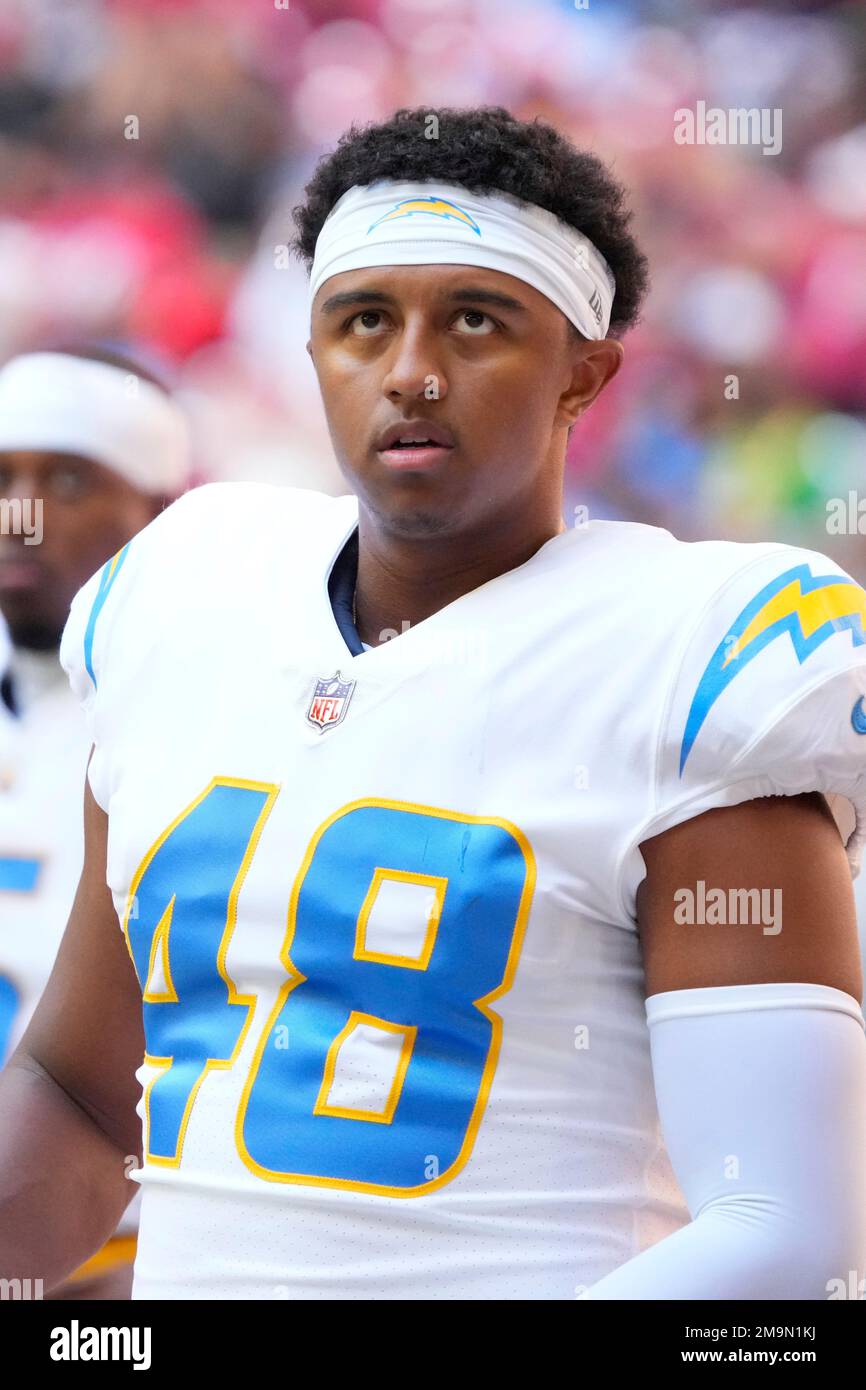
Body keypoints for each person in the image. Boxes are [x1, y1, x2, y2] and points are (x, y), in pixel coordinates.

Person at [1, 105, 865, 1301]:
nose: (410, 370)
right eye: (364, 320)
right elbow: (86, 1095)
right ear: (312, 351)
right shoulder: (182, 591)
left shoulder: (694, 655)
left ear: (582, 374)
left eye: (474, 319)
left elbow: (784, 1231)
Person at [0, 344, 190, 1298]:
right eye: (2, 479)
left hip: (122, 1265)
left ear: (158, 513)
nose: (21, 513)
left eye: (68, 479)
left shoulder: (201, 721)